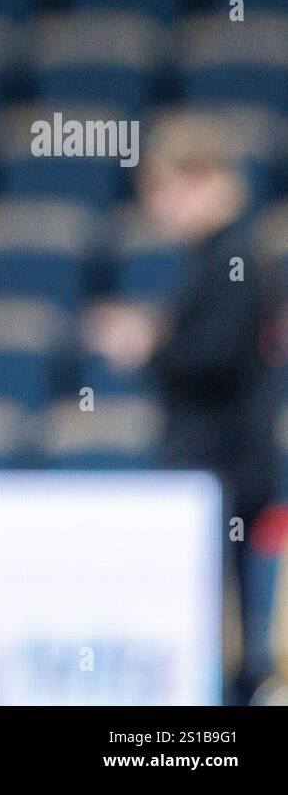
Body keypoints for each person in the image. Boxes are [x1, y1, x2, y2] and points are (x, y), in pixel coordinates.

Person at [82, 113, 283, 704]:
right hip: (222, 467)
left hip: (227, 469)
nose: (160, 211)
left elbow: (214, 358)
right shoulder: (220, 259)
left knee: (227, 623)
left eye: (165, 192)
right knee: (221, 616)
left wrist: (149, 345)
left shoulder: (234, 260)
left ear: (202, 181)